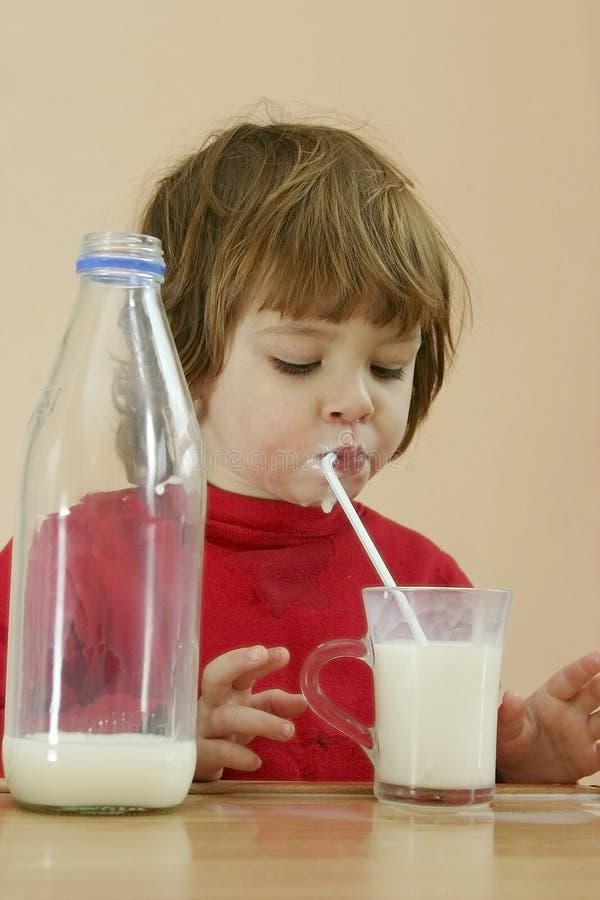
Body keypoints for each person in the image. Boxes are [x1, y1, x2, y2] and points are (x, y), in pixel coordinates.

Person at [1, 117, 599, 785]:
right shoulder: (76, 560)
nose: (357, 401)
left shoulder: (422, 583)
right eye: (299, 361)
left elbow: (438, 796)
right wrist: (152, 748)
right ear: (183, 365)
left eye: (389, 367)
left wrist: (516, 764)